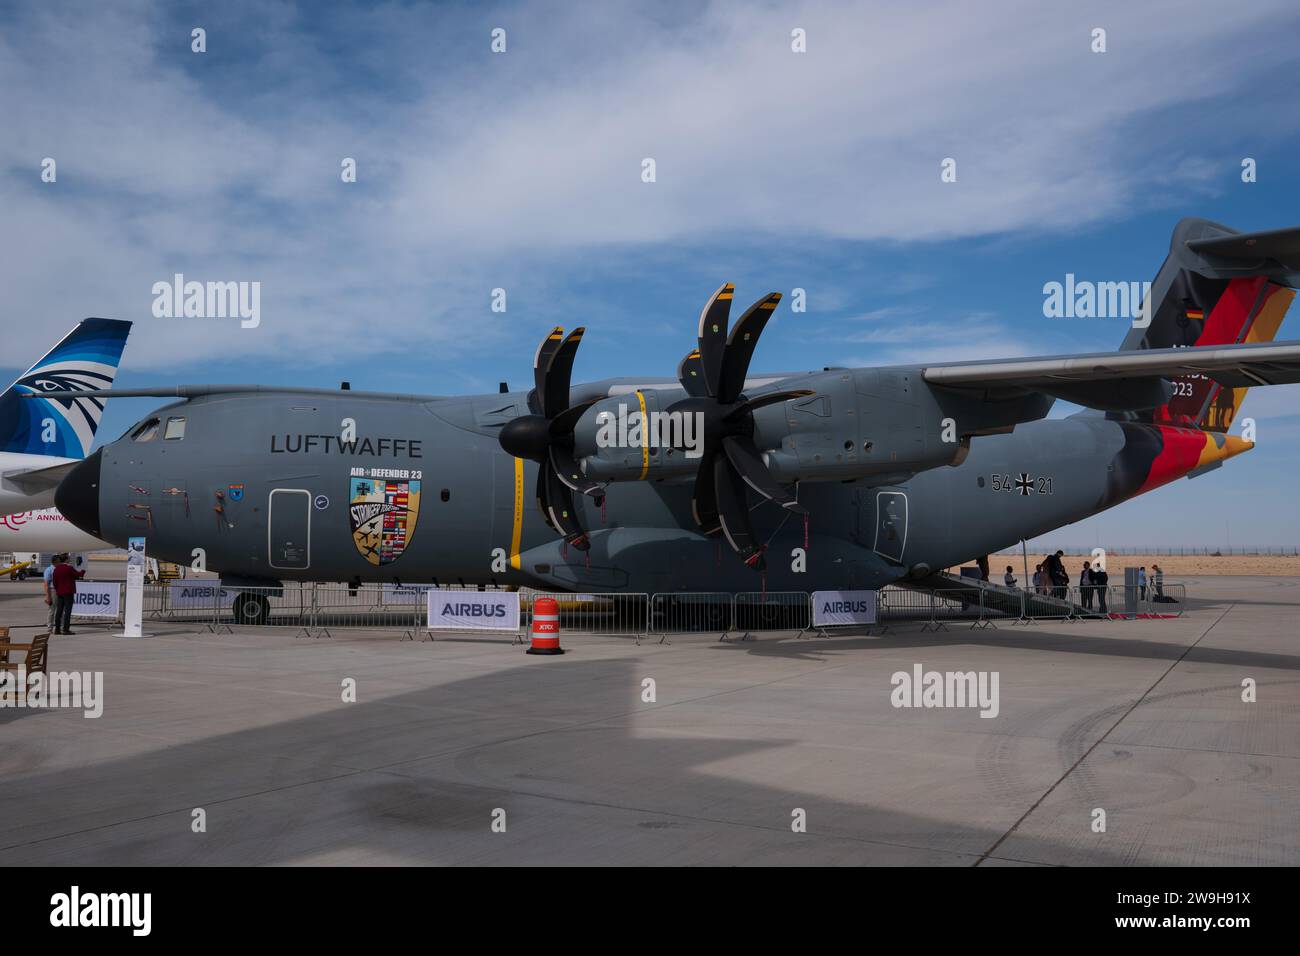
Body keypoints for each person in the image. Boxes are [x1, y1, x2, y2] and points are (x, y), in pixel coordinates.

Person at [51, 552, 86, 635]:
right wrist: (83, 570)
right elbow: (78, 575)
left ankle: (57, 629)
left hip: (60, 592)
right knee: (67, 611)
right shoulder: (69, 568)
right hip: (68, 592)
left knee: (59, 611)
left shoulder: (56, 569)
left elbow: (55, 582)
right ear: (66, 559)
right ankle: (66, 629)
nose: (70, 559)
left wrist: (57, 589)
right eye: (68, 558)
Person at [42, 554, 60, 633]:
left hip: (60, 590)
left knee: (60, 610)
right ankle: (50, 628)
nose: (60, 563)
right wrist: (47, 596)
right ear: (55, 562)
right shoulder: (49, 570)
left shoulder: (59, 569)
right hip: (52, 590)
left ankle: (59, 627)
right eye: (59, 561)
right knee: (52, 610)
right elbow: (46, 584)